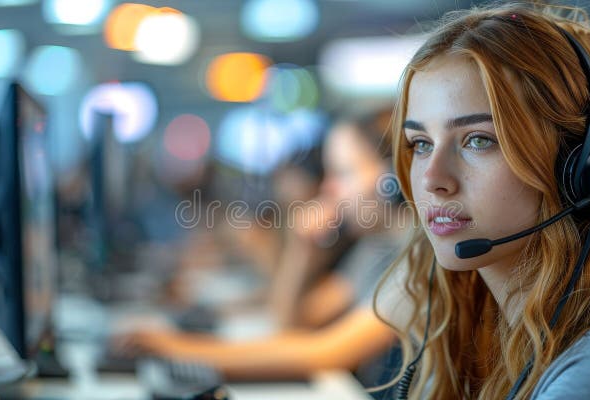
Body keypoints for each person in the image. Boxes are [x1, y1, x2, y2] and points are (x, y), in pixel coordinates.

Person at [373, 3, 590, 399]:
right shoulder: (496, 337)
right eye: (420, 144)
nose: (432, 179)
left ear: (581, 170)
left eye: (479, 140)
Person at [111, 110, 408, 383]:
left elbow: (323, 351)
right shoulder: (375, 251)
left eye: (343, 172)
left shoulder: (414, 261)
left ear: (391, 182)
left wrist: (176, 347)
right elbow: (292, 325)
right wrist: (302, 251)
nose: (327, 188)